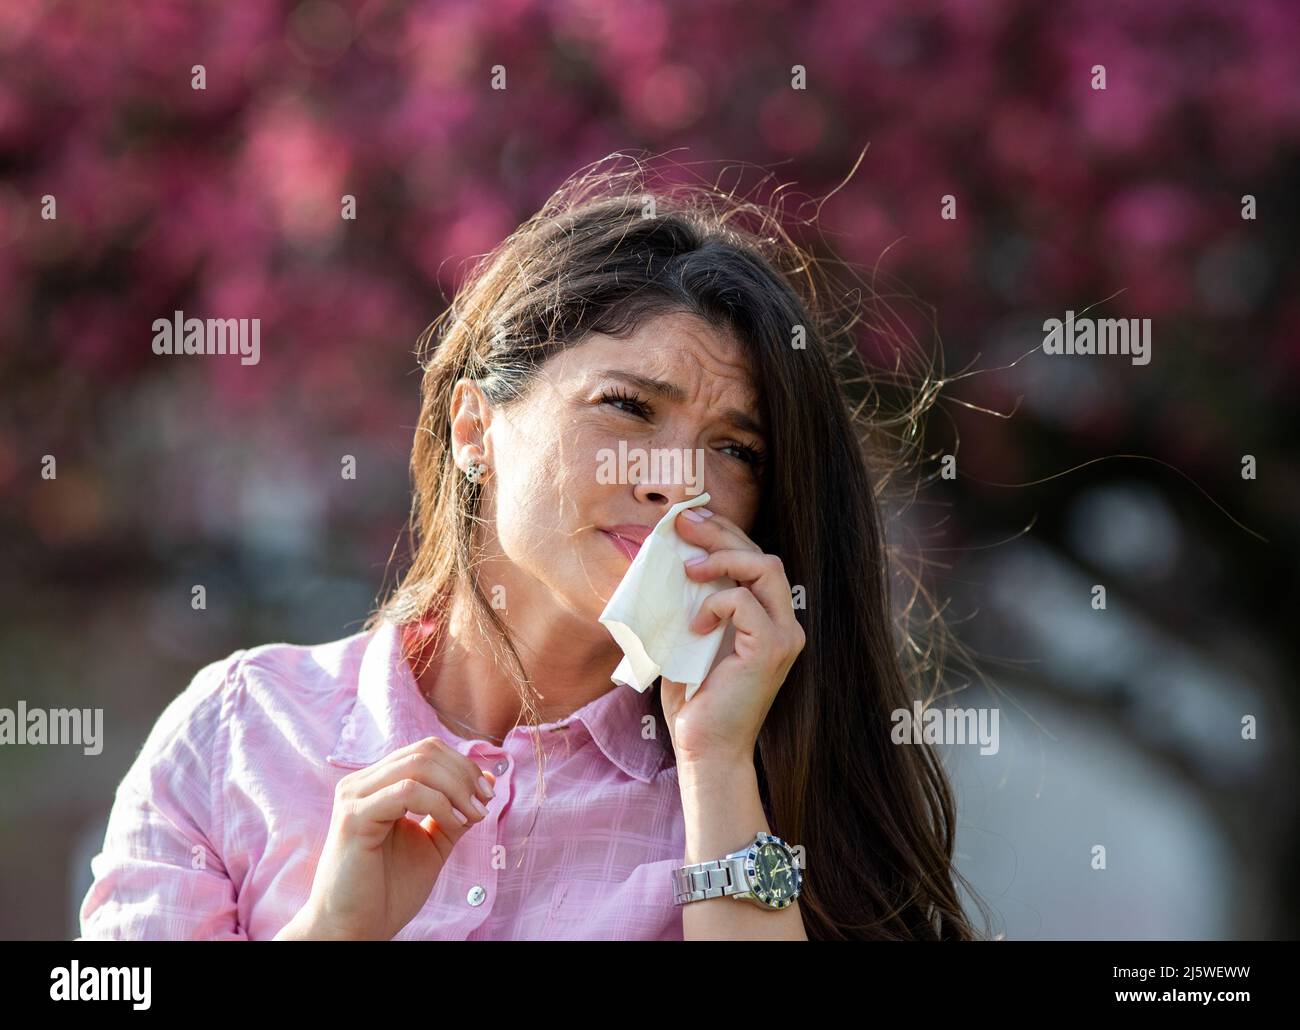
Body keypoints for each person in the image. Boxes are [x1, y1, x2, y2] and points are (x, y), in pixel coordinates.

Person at [79, 155, 989, 940]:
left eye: (735, 449)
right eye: (629, 408)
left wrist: (716, 766)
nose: (681, 479)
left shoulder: (764, 785)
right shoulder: (243, 733)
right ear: (474, 427)